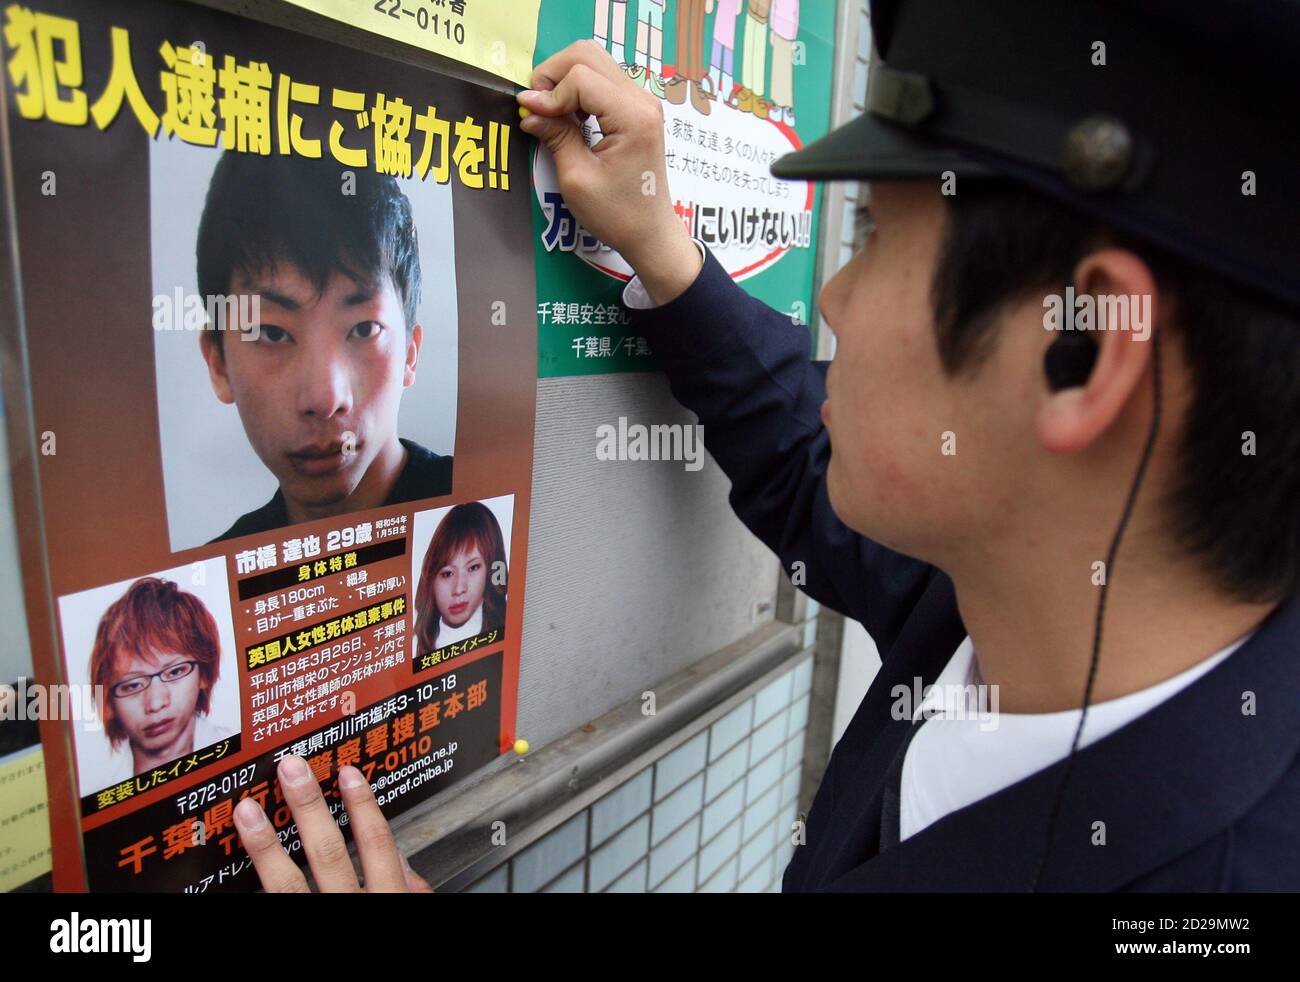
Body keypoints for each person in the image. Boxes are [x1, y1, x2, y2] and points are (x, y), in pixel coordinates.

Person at [236, 0, 1300, 893]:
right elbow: (803, 461)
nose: (830, 297)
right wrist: (662, 249)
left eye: (875, 237)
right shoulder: (1029, 615)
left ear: (1079, 346)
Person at [198, 152, 453, 544]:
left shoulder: (482, 508)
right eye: (273, 333)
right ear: (218, 363)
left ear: (409, 352)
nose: (325, 397)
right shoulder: (219, 579)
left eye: (364, 328)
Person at [88, 577, 233, 788]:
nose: (156, 703)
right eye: (133, 685)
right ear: (109, 700)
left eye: (175, 672)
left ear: (203, 673)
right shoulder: (100, 792)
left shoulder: (243, 747)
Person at [414, 502, 509, 655]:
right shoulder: (419, 643)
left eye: (473, 568)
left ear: (491, 570)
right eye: (447, 573)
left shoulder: (507, 629)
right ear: (431, 580)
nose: (459, 589)